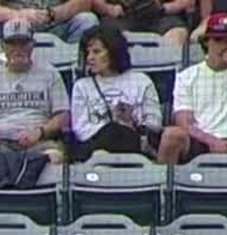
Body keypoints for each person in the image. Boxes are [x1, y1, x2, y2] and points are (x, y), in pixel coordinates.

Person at [157, 11, 227, 164]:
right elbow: (183, 121)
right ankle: (164, 185)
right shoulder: (188, 75)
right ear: (207, 42)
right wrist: (212, 141)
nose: (223, 46)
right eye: (218, 40)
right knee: (171, 134)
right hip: (200, 139)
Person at [0, 20, 71, 165]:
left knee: (54, 156)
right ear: (2, 46)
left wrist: (41, 131)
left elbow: (63, 117)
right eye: (12, 44)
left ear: (32, 45)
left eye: (23, 43)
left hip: (39, 141)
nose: (17, 49)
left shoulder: (50, 74)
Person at [69, 24, 164, 160]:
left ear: (113, 51)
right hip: (95, 145)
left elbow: (155, 122)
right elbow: (80, 129)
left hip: (134, 141)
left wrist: (131, 123)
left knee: (119, 133)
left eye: (96, 52)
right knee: (112, 132)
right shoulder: (81, 86)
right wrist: (111, 126)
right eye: (88, 52)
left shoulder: (141, 81)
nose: (90, 58)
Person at [0, 0, 99, 81]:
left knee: (87, 20)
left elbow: (84, 2)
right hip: (11, 27)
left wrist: (52, 14)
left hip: (55, 24)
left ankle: (80, 81)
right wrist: (16, 15)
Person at [90, 0, 192, 46]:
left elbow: (187, 2)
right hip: (121, 17)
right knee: (107, 35)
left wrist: (164, 8)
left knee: (178, 33)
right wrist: (110, 9)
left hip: (161, 16)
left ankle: (167, 79)